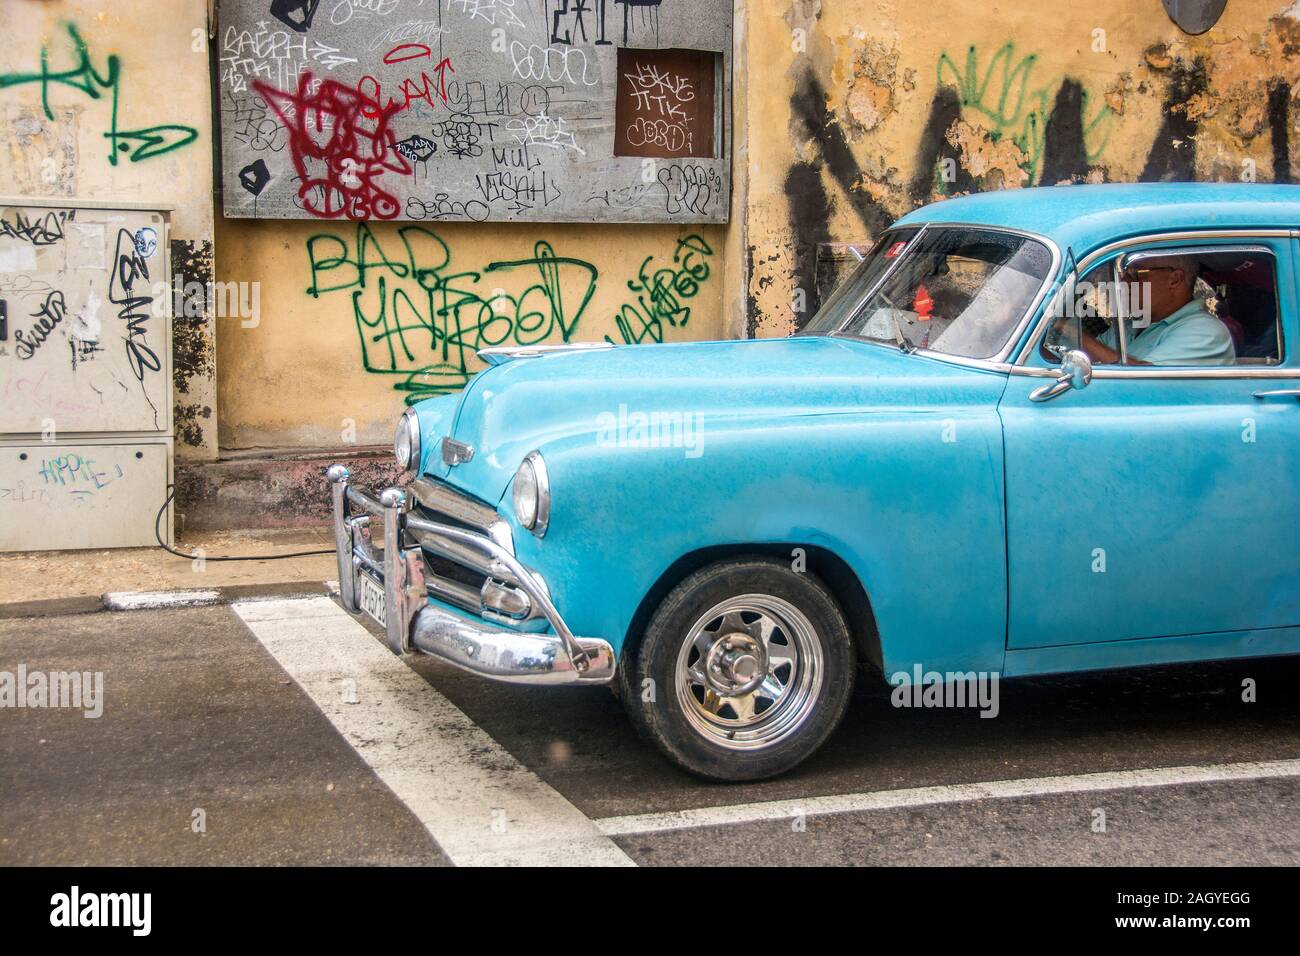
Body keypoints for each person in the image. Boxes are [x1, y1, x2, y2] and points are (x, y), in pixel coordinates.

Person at [1079, 254, 1235, 365]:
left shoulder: (1204, 330)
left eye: (1136, 274)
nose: (1123, 282)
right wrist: (1059, 335)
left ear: (1175, 280)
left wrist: (1076, 334)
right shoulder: (1130, 326)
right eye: (1125, 273)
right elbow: (1082, 357)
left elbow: (1145, 385)